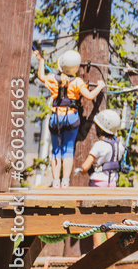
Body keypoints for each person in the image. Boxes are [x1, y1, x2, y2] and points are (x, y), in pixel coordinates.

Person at [34, 49, 105, 187]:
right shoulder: (77, 82)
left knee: (56, 150)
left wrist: (41, 60)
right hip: (71, 117)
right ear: (75, 68)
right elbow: (90, 96)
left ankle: (55, 182)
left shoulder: (53, 79)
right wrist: (100, 86)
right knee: (68, 149)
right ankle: (65, 182)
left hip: (56, 117)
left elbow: (41, 76)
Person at [80, 109, 125, 188]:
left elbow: (85, 166)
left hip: (97, 182)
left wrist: (82, 171)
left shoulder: (99, 145)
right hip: (113, 182)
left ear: (100, 128)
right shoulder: (120, 145)